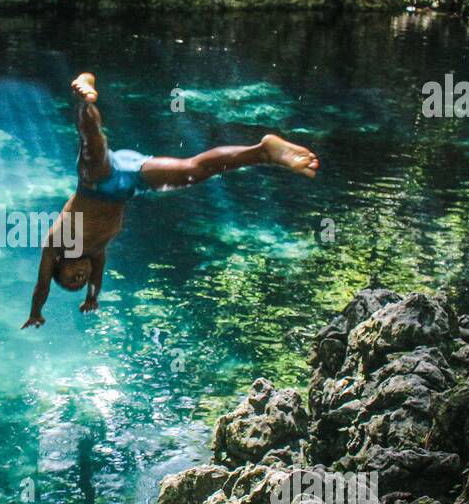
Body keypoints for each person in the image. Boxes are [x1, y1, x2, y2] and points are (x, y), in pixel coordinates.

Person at [22, 72, 320, 328]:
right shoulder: (96, 252)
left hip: (95, 182)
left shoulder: (57, 243)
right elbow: (96, 277)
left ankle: (85, 93)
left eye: (70, 279)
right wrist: (91, 297)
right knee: (192, 171)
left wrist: (36, 312)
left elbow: (41, 285)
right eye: (80, 281)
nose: (79, 277)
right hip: (132, 182)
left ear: (60, 267)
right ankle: (263, 151)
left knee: (92, 140)